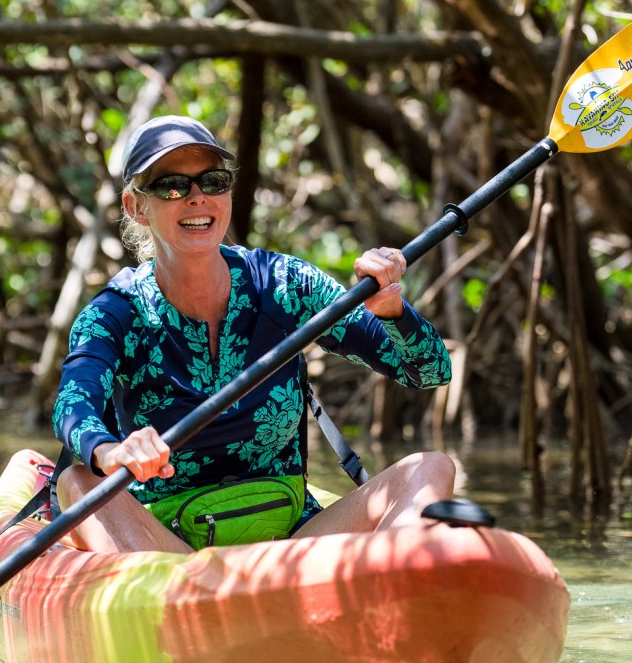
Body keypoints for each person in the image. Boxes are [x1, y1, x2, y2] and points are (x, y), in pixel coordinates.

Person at [52, 114, 458, 554]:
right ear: (136, 207)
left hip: (290, 541)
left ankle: (393, 582)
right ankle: (188, 594)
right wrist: (110, 451)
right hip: (169, 554)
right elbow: (73, 405)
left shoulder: (285, 285)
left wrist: (392, 311)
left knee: (431, 467)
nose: (197, 197)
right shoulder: (115, 313)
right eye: (172, 186)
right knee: (77, 481)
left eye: (213, 181)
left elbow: (431, 372)